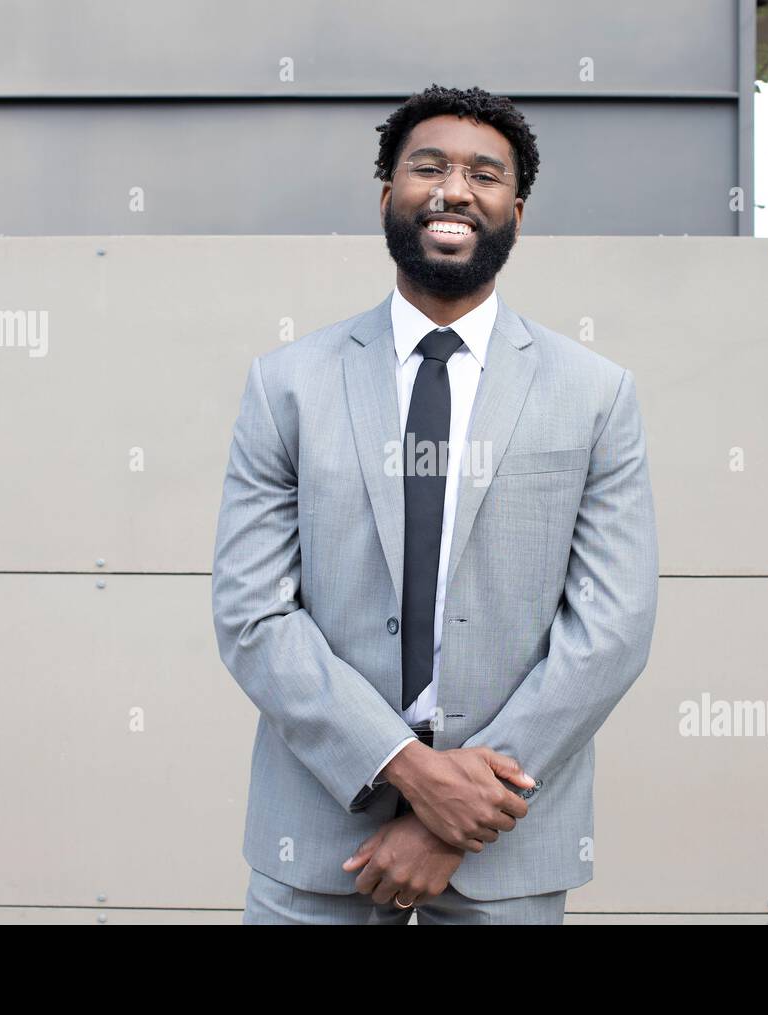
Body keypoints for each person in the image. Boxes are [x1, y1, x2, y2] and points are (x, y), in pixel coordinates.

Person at [212, 83, 658, 925]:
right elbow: (251, 612)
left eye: (484, 175)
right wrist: (407, 771)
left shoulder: (595, 395)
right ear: (389, 198)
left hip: (506, 837)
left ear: (516, 213)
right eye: (429, 167)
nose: (454, 189)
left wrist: (462, 810)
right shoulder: (287, 386)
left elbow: (612, 627)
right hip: (317, 827)